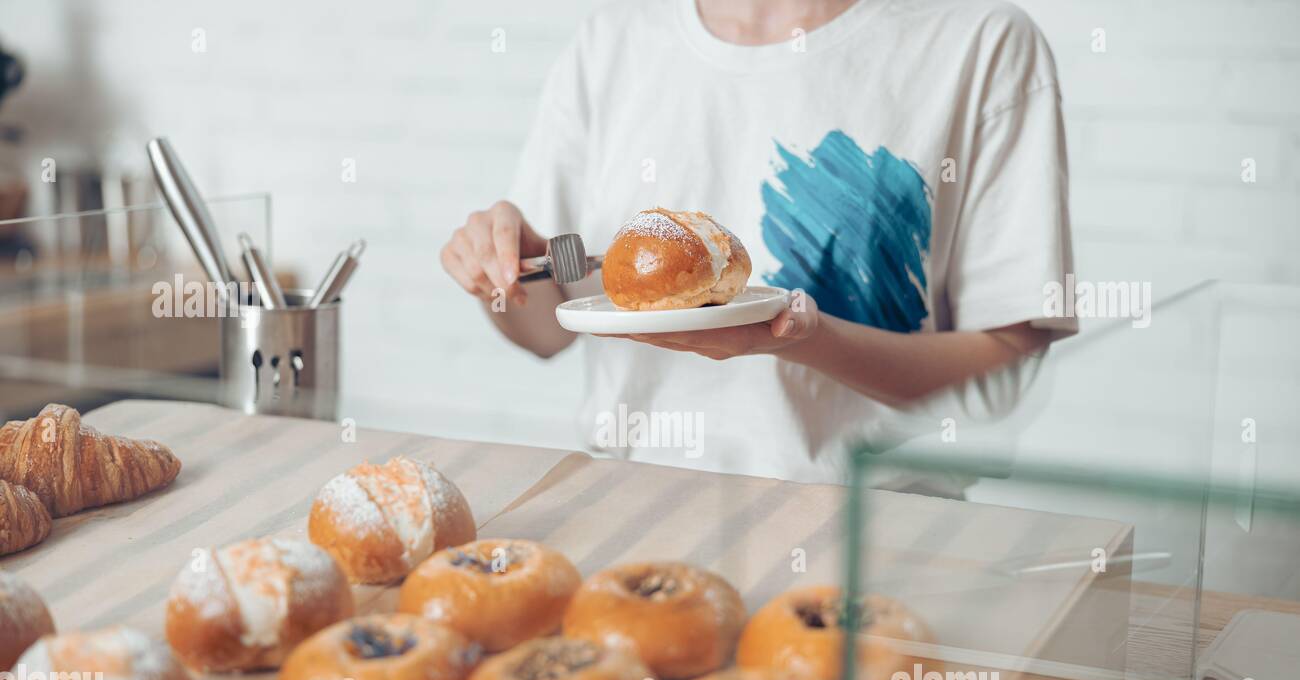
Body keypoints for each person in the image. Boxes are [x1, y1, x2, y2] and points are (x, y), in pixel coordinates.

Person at [441, 0, 1075, 490]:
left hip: (876, 529)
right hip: (634, 507)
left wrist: (806, 339)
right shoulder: (616, 39)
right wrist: (502, 274)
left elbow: (1003, 376)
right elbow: (549, 334)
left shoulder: (980, 42)